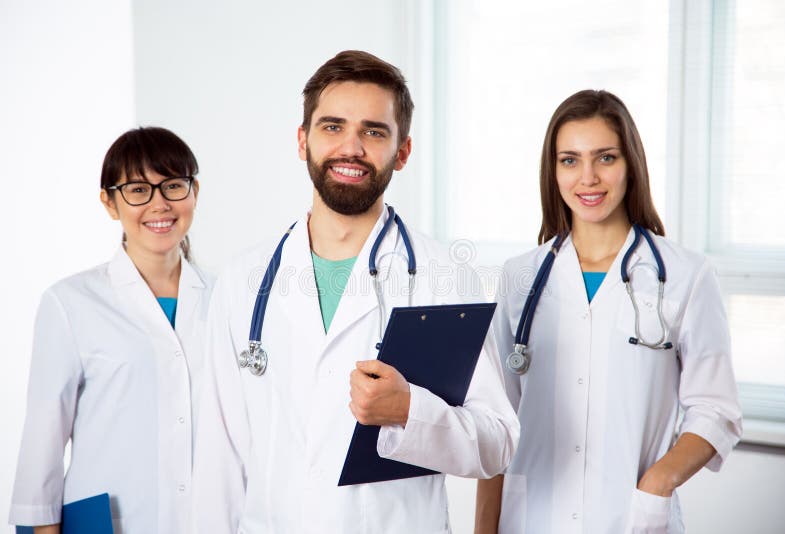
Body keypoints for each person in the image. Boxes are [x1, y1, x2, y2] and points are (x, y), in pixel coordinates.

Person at [191, 50, 519, 533]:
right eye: (331, 127)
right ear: (302, 141)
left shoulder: (445, 277)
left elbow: (497, 442)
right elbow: (218, 460)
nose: (351, 147)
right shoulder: (244, 281)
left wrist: (412, 411)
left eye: (373, 131)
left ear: (402, 151)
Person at [474, 90, 742, 534]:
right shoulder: (520, 278)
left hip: (631, 518)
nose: (588, 178)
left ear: (630, 164)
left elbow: (716, 410)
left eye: (606, 158)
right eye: (570, 160)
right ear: (553, 171)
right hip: (532, 518)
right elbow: (494, 422)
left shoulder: (684, 276)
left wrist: (658, 482)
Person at [9, 127, 213, 533]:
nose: (159, 204)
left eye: (173, 185)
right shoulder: (70, 303)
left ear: (194, 192)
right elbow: (42, 443)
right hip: (108, 523)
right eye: (138, 190)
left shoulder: (226, 300)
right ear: (109, 202)